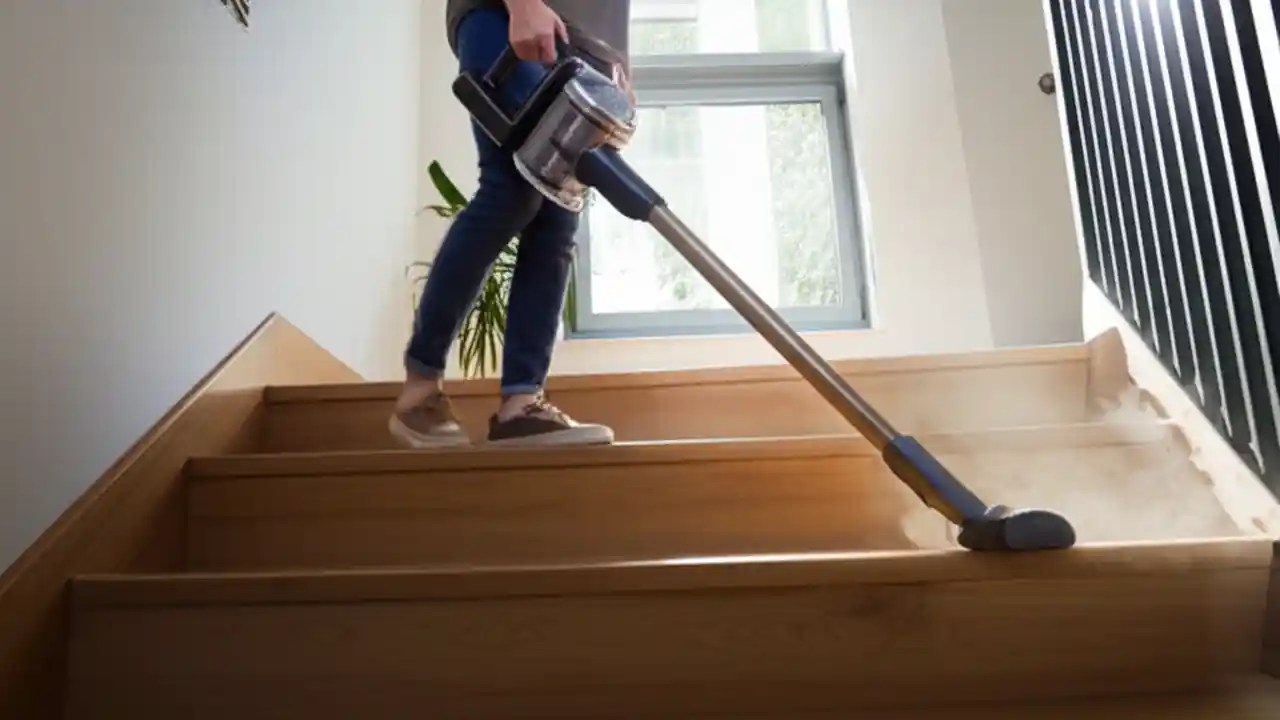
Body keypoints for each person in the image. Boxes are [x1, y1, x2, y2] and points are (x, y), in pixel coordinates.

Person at [390, 0, 633, 449]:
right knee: (511, 191)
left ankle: (522, 403)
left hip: (583, 51)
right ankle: (420, 387)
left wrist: (618, 68)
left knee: (558, 215)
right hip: (511, 16)